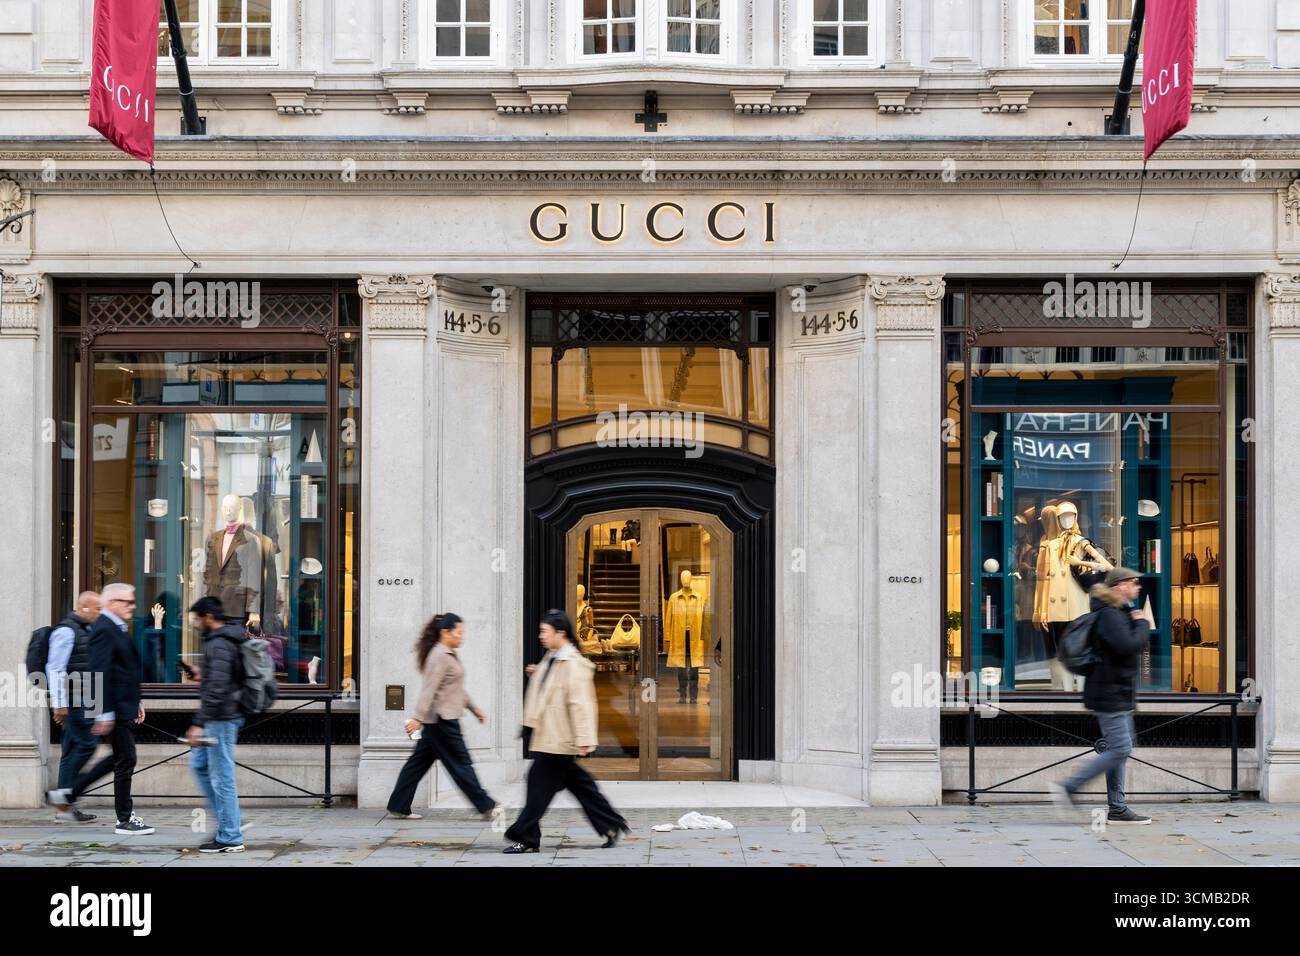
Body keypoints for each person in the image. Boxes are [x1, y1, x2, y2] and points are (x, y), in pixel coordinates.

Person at [503, 609, 629, 854]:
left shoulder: (573, 663)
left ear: (560, 633)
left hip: (558, 739)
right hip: (549, 736)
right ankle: (611, 824)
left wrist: (584, 740)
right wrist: (537, 673)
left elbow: (581, 704)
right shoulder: (553, 657)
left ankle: (526, 836)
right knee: (581, 785)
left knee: (537, 788)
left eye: (544, 632)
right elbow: (554, 687)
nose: (540, 636)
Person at [46, 582, 153, 835]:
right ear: (112, 603)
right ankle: (124, 818)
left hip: (121, 706)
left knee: (119, 759)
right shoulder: (104, 629)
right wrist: (104, 712)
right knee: (124, 759)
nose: (132, 606)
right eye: (127, 602)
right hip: (112, 709)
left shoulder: (113, 627)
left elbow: (122, 671)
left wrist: (136, 701)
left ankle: (66, 795)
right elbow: (99, 673)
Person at [1050, 567, 1152, 825]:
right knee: (1121, 748)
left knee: (1120, 749)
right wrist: (1142, 624)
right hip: (1110, 692)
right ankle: (1069, 787)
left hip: (1116, 691)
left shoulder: (1116, 612)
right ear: (1119, 587)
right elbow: (1127, 646)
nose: (1137, 587)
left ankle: (1117, 808)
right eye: (1133, 583)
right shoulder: (1110, 615)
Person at [387, 612, 499, 821]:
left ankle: (398, 805)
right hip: (443, 721)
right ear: (445, 632)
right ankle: (486, 805)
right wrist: (417, 719)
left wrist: (474, 709)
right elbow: (430, 689)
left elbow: (455, 689)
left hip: (438, 721)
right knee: (461, 764)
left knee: (416, 765)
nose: (462, 637)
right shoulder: (439, 656)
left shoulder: (447, 654)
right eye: (459, 632)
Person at [185, 596, 247, 853]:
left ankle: (231, 836)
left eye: (197, 618)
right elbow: (222, 678)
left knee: (222, 778)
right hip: (220, 715)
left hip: (221, 718)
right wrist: (202, 674)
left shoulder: (220, 643)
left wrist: (199, 723)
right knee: (199, 764)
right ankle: (229, 821)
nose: (195, 623)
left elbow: (219, 687)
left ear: (209, 616)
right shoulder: (222, 641)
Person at [46, 591, 102, 822]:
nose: (100, 613)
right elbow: (55, 668)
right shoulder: (66, 631)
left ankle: (64, 808)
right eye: (97, 608)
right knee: (87, 744)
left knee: (70, 751)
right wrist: (59, 703)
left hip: (87, 698)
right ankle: (63, 797)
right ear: (84, 608)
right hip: (74, 699)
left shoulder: (85, 631)